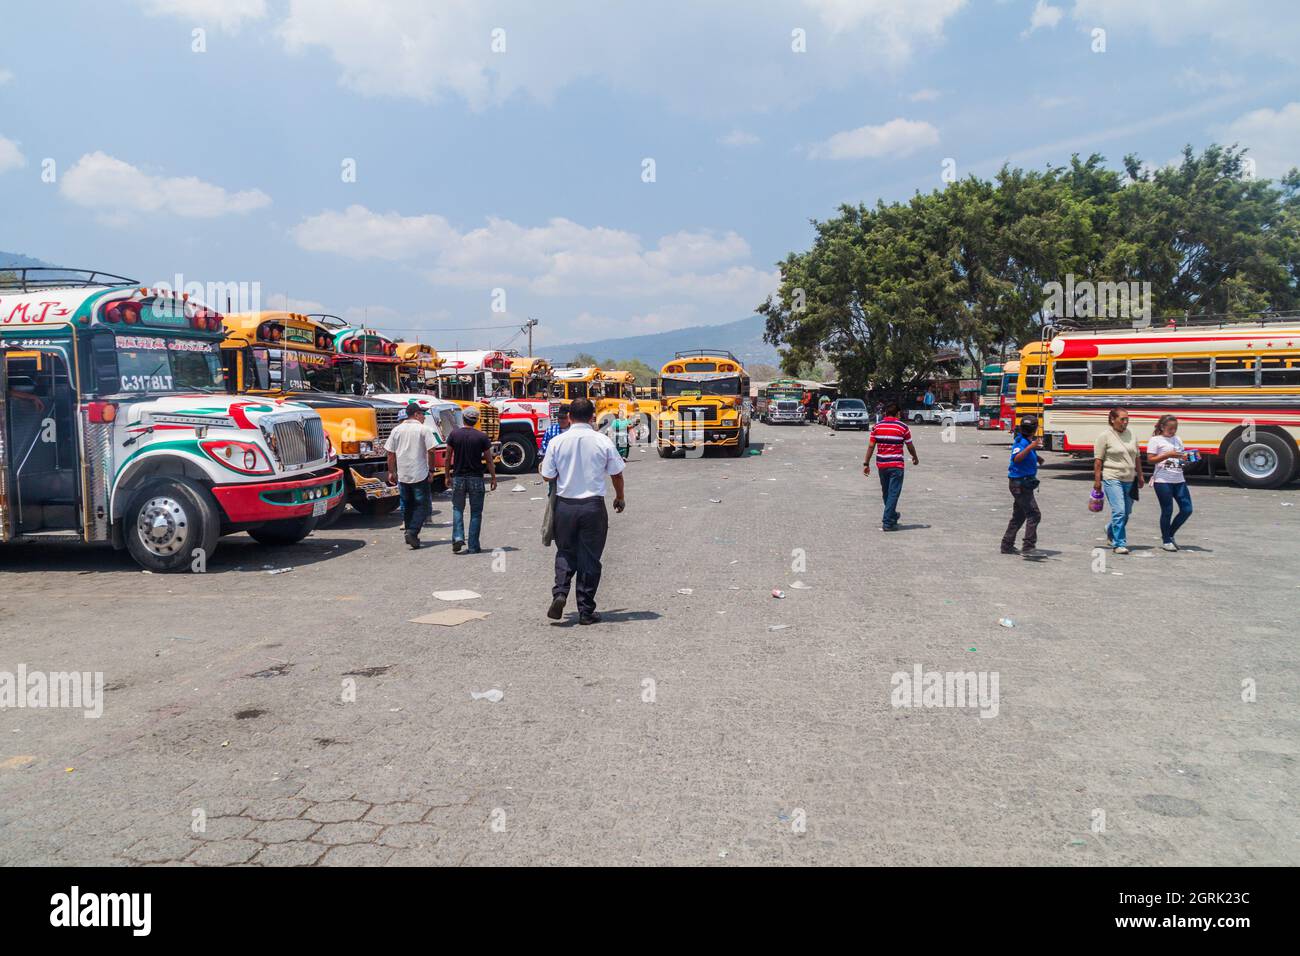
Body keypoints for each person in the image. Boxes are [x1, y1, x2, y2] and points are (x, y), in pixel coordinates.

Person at [540, 397, 626, 625]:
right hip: (592, 507)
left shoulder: (557, 442)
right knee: (590, 557)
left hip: (565, 506)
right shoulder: (602, 441)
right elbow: (616, 473)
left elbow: (547, 475)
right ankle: (586, 611)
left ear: (569, 417)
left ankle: (560, 592)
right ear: (592, 417)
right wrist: (619, 497)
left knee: (566, 552)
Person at [385, 403, 440, 549]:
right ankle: (413, 531)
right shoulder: (424, 430)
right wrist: (432, 470)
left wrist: (391, 471)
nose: (423, 417)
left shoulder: (396, 430)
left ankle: (410, 532)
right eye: (422, 414)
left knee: (407, 504)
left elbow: (390, 454)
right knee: (421, 505)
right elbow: (432, 451)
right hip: (420, 473)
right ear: (416, 414)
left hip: (403, 474)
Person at [444, 406, 497, 554]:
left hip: (459, 477)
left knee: (457, 508)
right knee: (476, 512)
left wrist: (447, 475)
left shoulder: (454, 435)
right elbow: (489, 460)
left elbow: (448, 457)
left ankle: (458, 536)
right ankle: (473, 546)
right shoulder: (482, 437)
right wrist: (493, 477)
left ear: (463, 418)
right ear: (476, 420)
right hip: (476, 478)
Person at [1092, 406, 1145, 555]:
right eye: (1122, 419)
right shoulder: (1105, 436)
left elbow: (1137, 457)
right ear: (1112, 420)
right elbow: (1098, 461)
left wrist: (1140, 475)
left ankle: (1110, 529)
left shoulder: (1132, 434)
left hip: (1130, 478)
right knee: (1119, 511)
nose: (1125, 422)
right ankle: (1119, 543)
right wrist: (1097, 481)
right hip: (1112, 477)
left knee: (1127, 512)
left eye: (1127, 419)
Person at [863, 401, 919, 532]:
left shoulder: (877, 427)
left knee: (887, 493)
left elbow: (871, 446)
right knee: (893, 493)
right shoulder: (903, 427)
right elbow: (910, 445)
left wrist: (866, 463)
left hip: (882, 464)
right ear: (897, 413)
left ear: (885, 413)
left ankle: (892, 515)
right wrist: (915, 457)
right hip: (896, 465)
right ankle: (887, 522)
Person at [1147, 414, 1193, 551]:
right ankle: (1166, 540)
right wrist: (1167, 455)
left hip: (1179, 478)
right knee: (1167, 510)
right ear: (1162, 427)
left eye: (1175, 428)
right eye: (1170, 428)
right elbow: (1150, 460)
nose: (1173, 431)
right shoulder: (1155, 440)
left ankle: (1170, 534)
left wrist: (1188, 459)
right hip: (1162, 480)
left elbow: (1180, 458)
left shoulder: (1177, 439)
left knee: (1187, 509)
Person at [1001, 414, 1043, 555]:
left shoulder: (1026, 440)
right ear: (1035, 429)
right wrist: (1032, 446)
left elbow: (1026, 454)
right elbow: (1017, 458)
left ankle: (1007, 545)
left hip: (1022, 483)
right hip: (1020, 484)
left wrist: (1037, 457)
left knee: (1019, 516)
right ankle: (1028, 546)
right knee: (1034, 514)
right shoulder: (1021, 442)